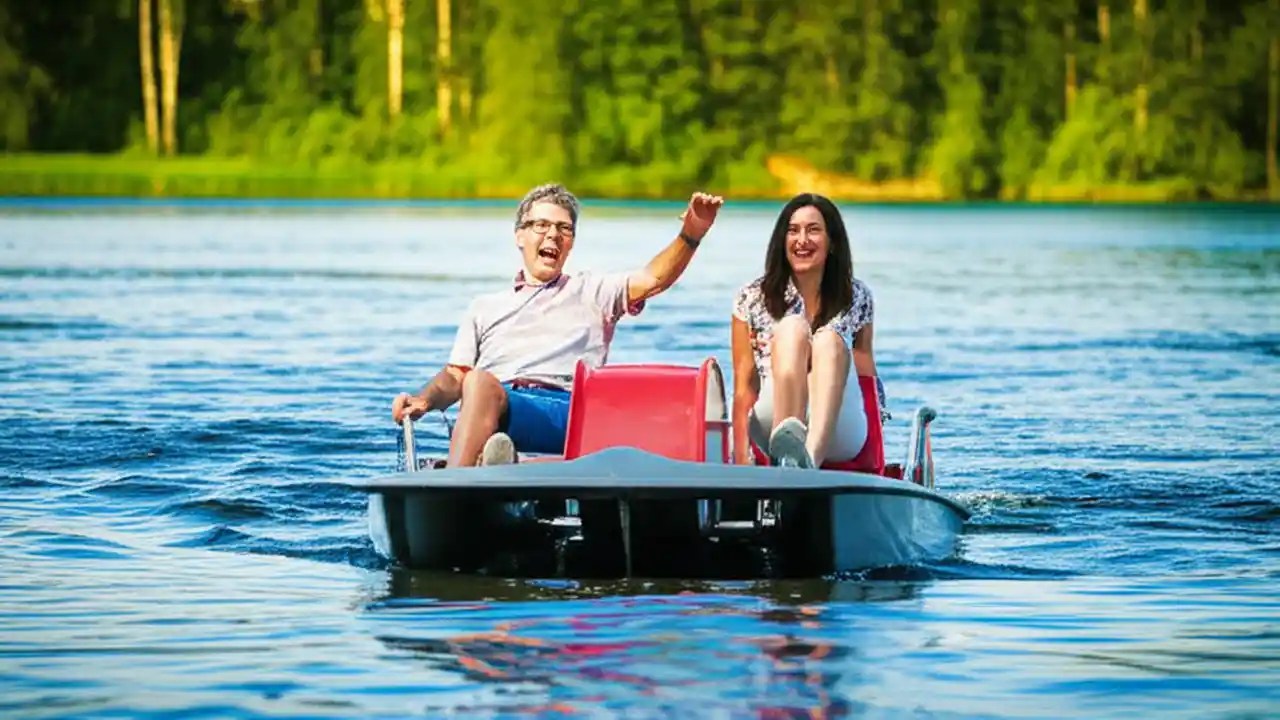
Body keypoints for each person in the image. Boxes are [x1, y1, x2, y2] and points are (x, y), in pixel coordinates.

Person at [392, 183, 724, 467]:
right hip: (495, 405)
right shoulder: (484, 307)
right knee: (477, 384)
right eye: (541, 225)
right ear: (520, 236)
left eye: (564, 229)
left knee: (479, 384)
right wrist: (423, 401)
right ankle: (493, 461)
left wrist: (691, 234)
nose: (553, 234)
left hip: (566, 411)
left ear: (571, 243)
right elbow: (455, 376)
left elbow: (653, 278)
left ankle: (456, 486)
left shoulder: (592, 291)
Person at [730, 192, 884, 469]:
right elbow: (745, 381)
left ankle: (809, 461)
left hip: (838, 423)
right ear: (782, 241)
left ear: (832, 242)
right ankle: (788, 451)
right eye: (793, 231)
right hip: (774, 411)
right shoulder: (751, 297)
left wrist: (877, 456)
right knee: (791, 328)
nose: (802, 240)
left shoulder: (857, 296)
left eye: (813, 230)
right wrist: (741, 456)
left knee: (828, 340)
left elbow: (865, 372)